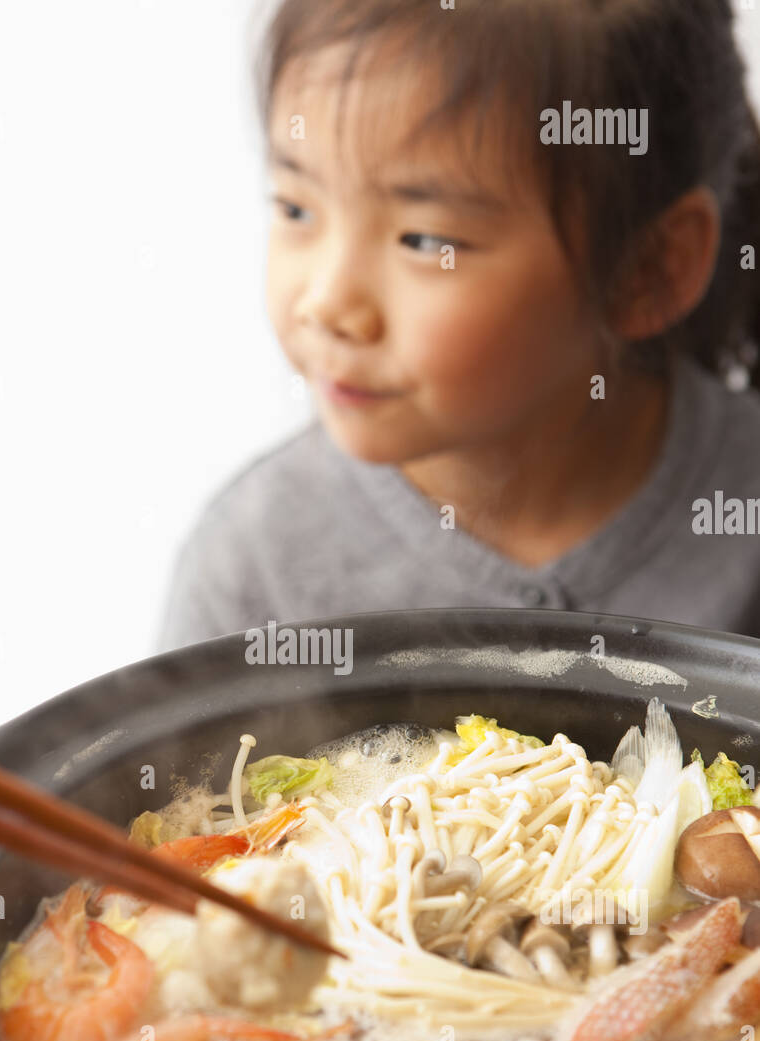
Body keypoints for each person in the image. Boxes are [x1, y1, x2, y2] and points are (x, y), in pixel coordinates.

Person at [157, 0, 760, 651]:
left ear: (649, 270)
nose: (327, 304)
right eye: (296, 208)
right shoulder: (259, 566)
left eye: (422, 239)